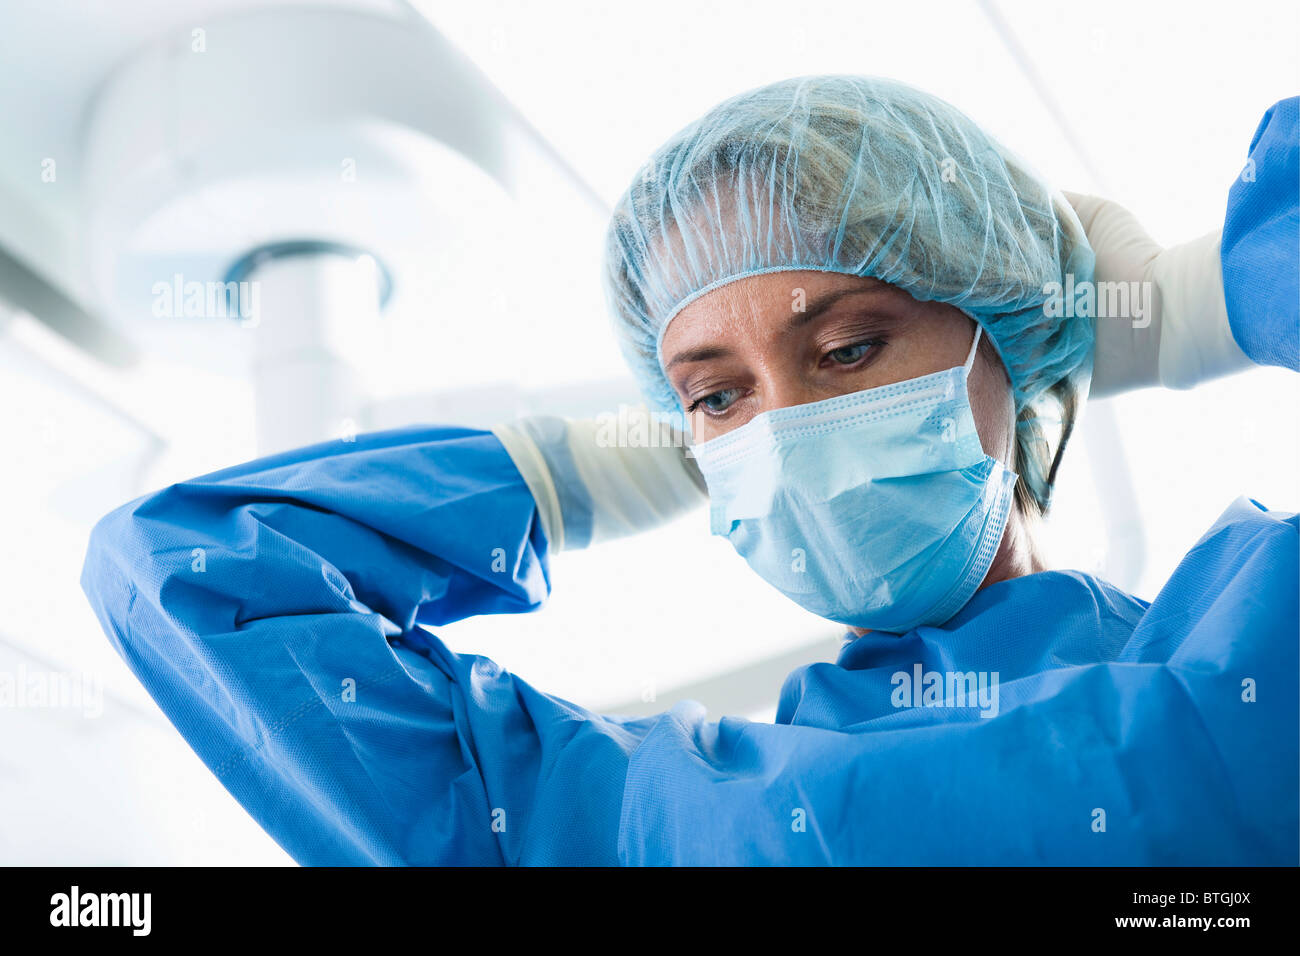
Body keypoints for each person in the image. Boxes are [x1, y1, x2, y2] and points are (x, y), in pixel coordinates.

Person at [81, 77, 1298, 865]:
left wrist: (1208, 303)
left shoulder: (1241, 659)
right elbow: (188, 567)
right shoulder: (616, 815)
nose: (786, 427)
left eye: (847, 345)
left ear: (1007, 331)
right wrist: (581, 474)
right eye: (717, 394)